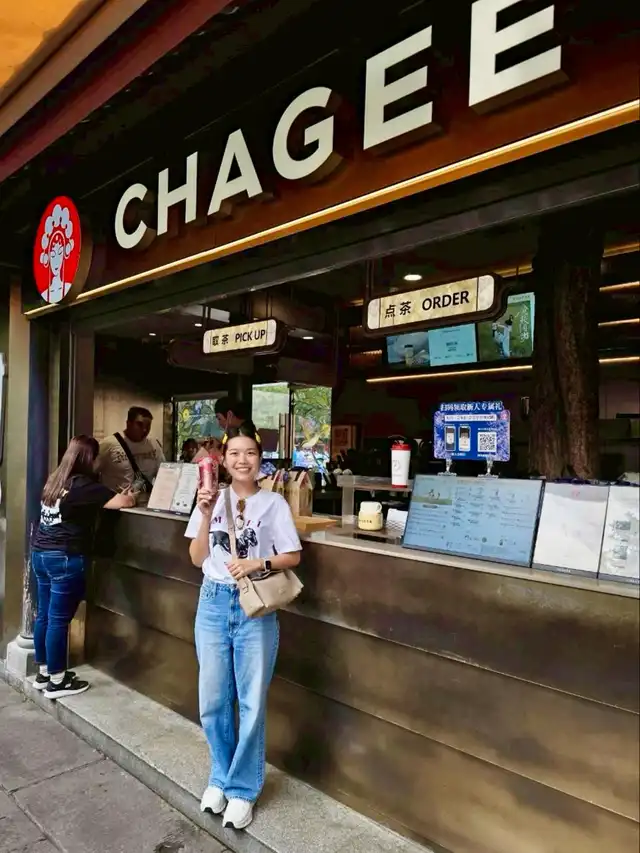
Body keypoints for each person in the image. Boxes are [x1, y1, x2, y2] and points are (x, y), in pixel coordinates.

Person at [185, 421, 301, 830]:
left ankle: (242, 789)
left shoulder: (274, 504)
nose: (242, 460)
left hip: (255, 606)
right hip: (213, 602)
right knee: (213, 700)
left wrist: (256, 563)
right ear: (222, 460)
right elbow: (197, 558)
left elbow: (292, 556)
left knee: (251, 702)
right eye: (234, 453)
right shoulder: (210, 499)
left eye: (250, 453)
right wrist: (204, 514)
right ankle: (220, 776)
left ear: (260, 459)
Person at [31, 435, 135, 698]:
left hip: (40, 554)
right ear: (90, 458)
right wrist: (129, 496)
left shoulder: (55, 480)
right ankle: (57, 681)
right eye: (97, 457)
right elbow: (122, 502)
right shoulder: (84, 486)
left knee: (44, 616)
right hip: (64, 557)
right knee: (58, 620)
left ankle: (44, 673)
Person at [97, 406, 165, 498]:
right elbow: (92, 473)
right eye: (140, 425)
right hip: (118, 503)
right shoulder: (109, 444)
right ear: (128, 423)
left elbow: (162, 474)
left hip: (145, 502)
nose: (144, 430)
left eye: (148, 426)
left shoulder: (154, 445)